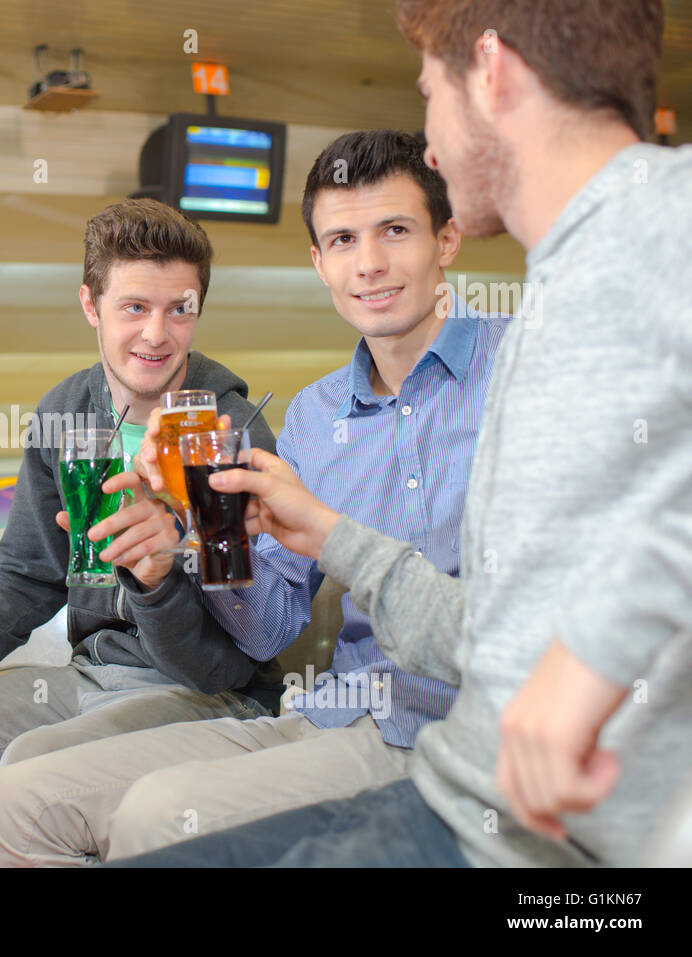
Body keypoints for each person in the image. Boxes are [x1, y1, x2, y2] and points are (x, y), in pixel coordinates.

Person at [113, 0, 691, 868]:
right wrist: (315, 535)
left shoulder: (655, 227)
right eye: (341, 240)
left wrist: (589, 650)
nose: (432, 141)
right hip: (470, 795)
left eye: (429, 93)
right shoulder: (561, 288)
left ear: (490, 72)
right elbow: (496, 631)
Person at [0, 130, 508, 866]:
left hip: (458, 729)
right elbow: (266, 629)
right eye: (343, 238)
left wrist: (315, 530)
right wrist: (197, 539)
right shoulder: (316, 419)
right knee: (15, 802)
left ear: (446, 240)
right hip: (331, 711)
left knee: (160, 816)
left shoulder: (523, 368)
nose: (370, 262)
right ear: (319, 262)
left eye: (395, 230)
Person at [0, 197, 281, 867]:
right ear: (90, 305)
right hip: (88, 677)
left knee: (29, 769)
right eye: (134, 307)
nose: (157, 333)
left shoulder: (227, 433)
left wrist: (158, 572)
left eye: (179, 308)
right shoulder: (62, 416)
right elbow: (26, 575)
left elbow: (232, 658)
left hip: (205, 696)